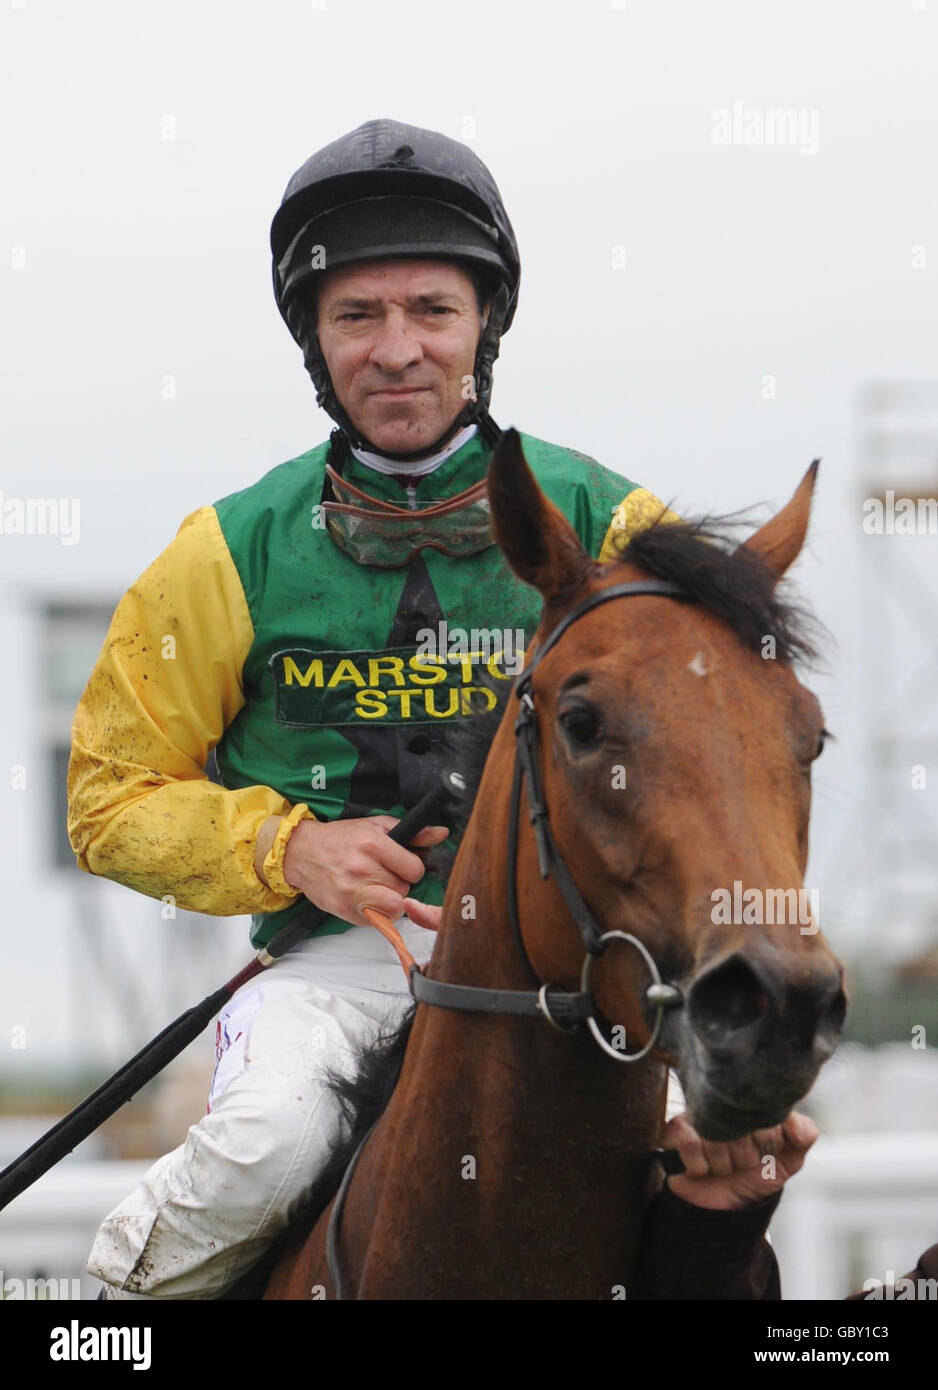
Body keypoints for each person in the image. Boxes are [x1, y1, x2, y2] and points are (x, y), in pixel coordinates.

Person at [67, 118, 811, 1300]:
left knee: (731, 1170)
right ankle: (100, 1315)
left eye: (432, 311)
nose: (397, 350)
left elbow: (724, 748)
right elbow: (106, 798)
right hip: (332, 973)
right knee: (261, 1153)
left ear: (485, 329)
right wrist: (285, 846)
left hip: (579, 973)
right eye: (357, 316)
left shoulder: (614, 531)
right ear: (316, 341)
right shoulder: (222, 554)